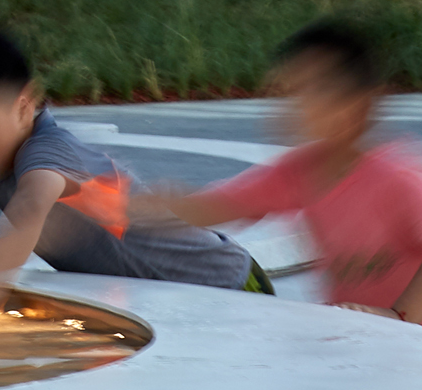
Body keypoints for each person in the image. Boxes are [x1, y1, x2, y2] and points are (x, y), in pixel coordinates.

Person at [0, 23, 266, 306]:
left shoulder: (50, 149)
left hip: (228, 283)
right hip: (170, 299)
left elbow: (27, 213)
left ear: (26, 105)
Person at [144, 20, 422, 321]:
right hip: (359, 332)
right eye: (292, 91)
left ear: (364, 102)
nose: (300, 105)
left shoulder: (398, 181)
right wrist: (127, 206)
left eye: (319, 90)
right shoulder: (297, 173)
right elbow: (214, 206)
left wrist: (400, 316)